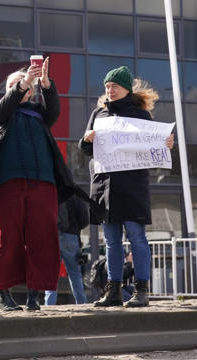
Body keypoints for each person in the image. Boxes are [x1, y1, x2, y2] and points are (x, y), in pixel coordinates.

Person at [0, 57, 80, 311]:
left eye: (27, 86)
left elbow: (54, 110)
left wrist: (46, 84)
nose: (23, 88)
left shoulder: (40, 116)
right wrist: (25, 81)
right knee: (7, 239)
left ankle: (35, 296)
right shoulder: (2, 114)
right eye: (16, 86)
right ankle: (3, 294)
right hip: (7, 185)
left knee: (42, 239)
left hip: (43, 185)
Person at [80, 66, 174, 308]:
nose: (109, 90)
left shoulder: (141, 116)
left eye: (114, 86)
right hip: (104, 187)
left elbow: (154, 150)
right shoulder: (98, 115)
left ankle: (142, 290)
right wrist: (86, 140)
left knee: (137, 238)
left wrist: (165, 144)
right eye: (107, 86)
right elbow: (85, 150)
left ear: (126, 89)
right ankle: (113, 291)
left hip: (131, 188)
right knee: (110, 241)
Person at [45, 195, 89, 305]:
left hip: (52, 236)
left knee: (51, 273)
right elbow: (85, 219)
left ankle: (49, 304)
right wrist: (75, 227)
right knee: (74, 272)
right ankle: (81, 302)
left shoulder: (51, 191)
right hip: (71, 236)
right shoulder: (74, 194)